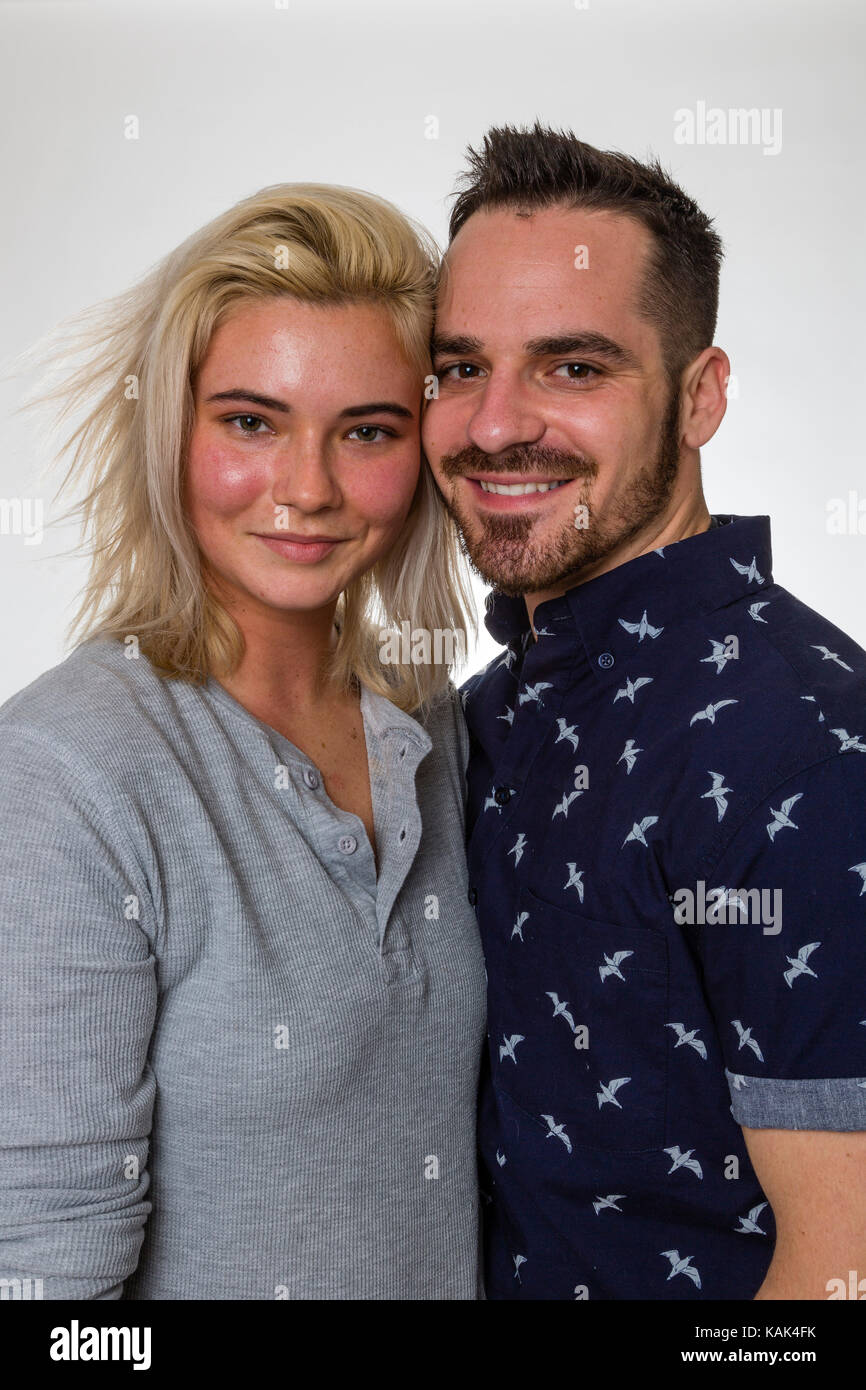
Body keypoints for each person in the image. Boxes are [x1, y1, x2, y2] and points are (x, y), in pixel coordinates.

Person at [0, 184, 486, 1300]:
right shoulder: (64, 772)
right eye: (250, 421)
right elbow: (42, 1275)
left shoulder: (442, 732)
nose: (305, 489)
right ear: (172, 428)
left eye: (365, 430)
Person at [422, 123, 866, 1300]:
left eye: (573, 366)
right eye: (460, 366)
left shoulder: (802, 746)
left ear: (698, 395)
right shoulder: (484, 719)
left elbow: (843, 1275)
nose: (496, 423)